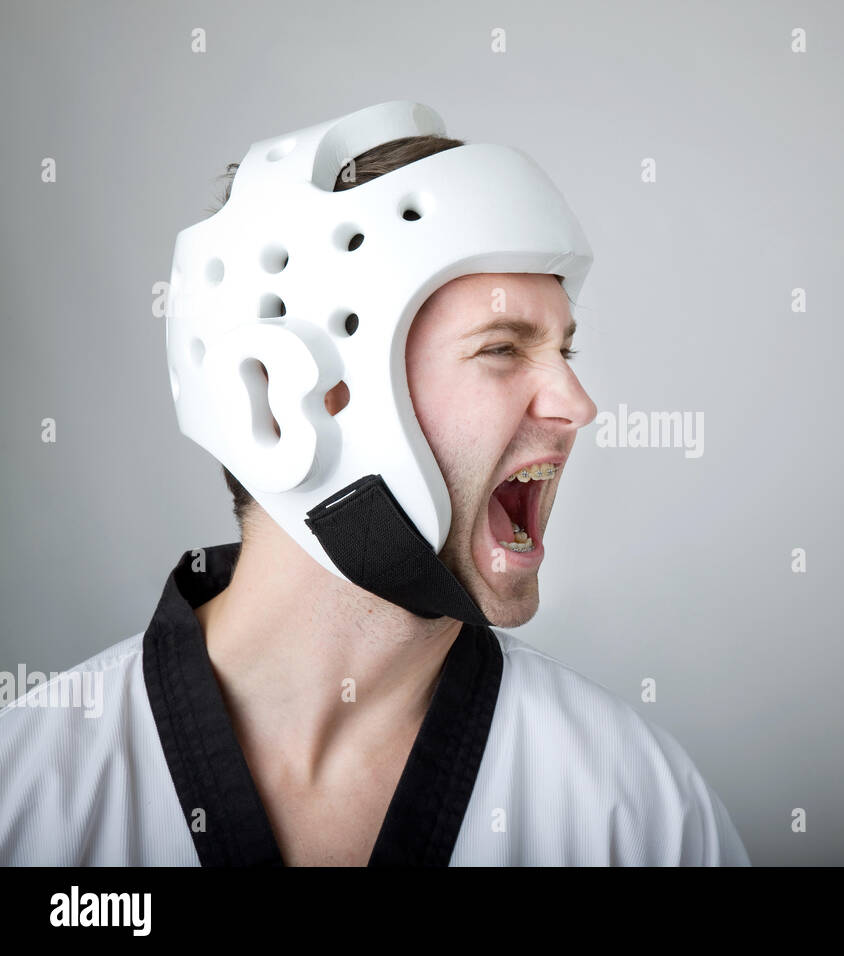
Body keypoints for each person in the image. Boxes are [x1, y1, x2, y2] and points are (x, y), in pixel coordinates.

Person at [0, 101, 750, 866]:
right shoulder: (27, 794)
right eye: (502, 349)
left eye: (565, 350)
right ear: (288, 401)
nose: (578, 406)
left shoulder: (636, 810)